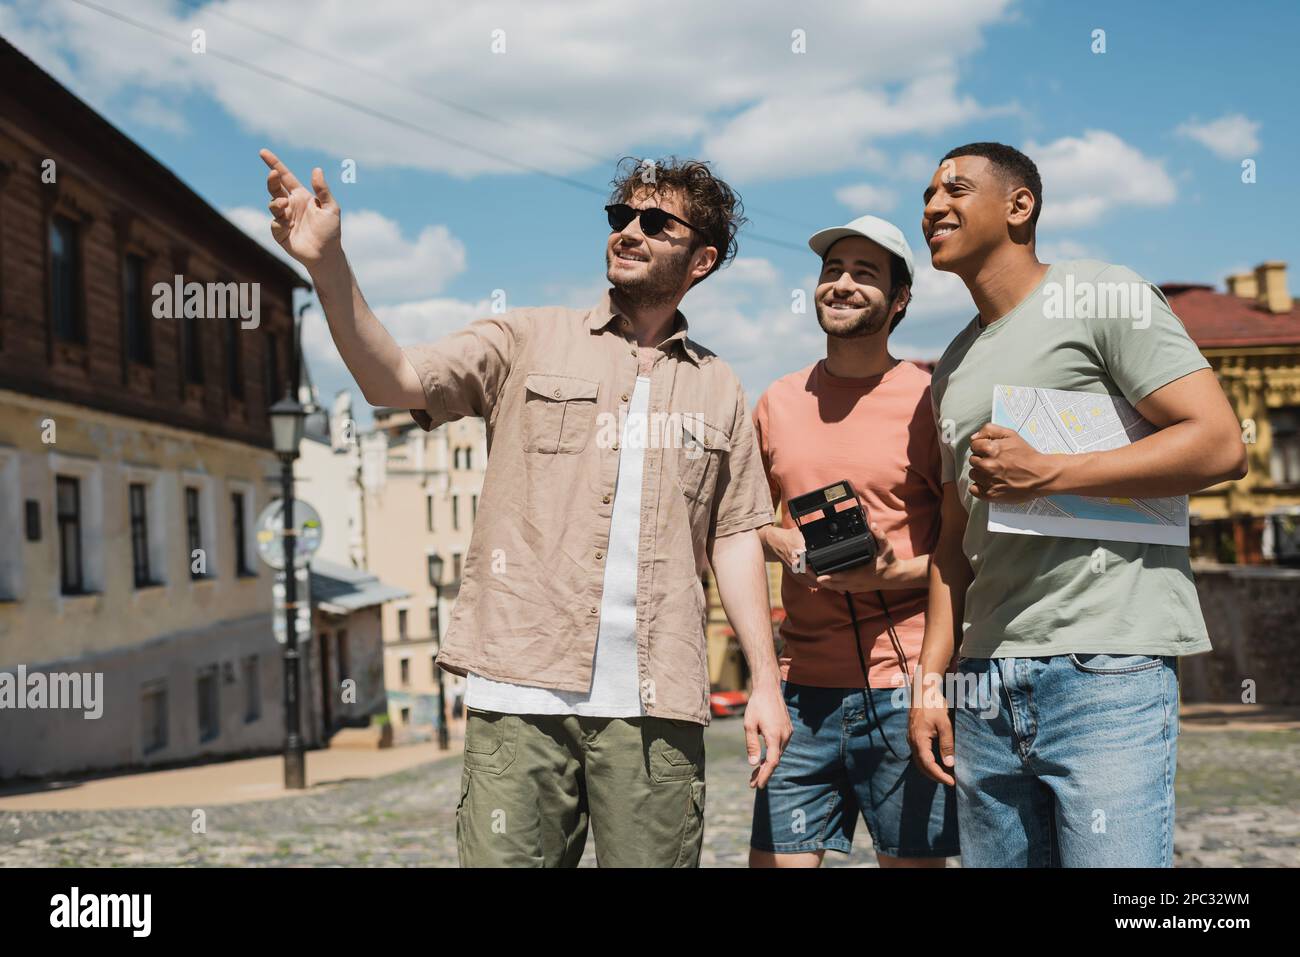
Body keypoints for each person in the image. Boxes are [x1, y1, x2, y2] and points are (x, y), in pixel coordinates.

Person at [259, 149, 791, 866]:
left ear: (700, 260)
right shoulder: (525, 339)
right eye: (620, 215)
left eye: (655, 221)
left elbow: (733, 537)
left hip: (655, 706)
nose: (628, 230)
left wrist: (765, 682)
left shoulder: (719, 384)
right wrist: (327, 266)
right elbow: (394, 379)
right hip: (520, 697)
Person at [908, 142, 1247, 867]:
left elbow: (1219, 443)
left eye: (956, 189)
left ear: (1020, 206)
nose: (934, 206)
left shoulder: (1102, 294)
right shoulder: (952, 367)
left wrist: (1052, 472)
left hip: (1106, 667)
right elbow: (949, 541)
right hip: (985, 678)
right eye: (928, 196)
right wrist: (932, 681)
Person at [749, 215, 958, 868]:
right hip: (800, 695)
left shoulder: (931, 399)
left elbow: (968, 551)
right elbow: (735, 521)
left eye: (864, 274)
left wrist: (888, 574)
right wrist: (781, 540)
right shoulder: (778, 401)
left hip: (906, 692)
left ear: (898, 301)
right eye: (832, 271)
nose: (840, 283)